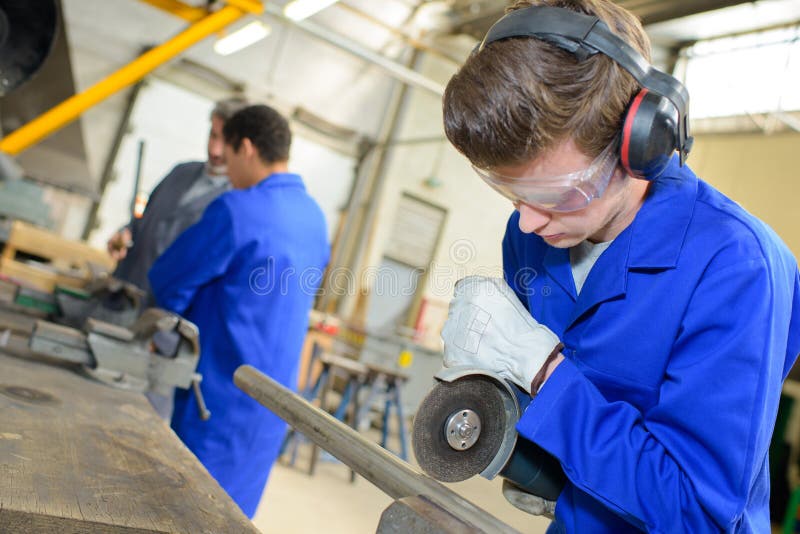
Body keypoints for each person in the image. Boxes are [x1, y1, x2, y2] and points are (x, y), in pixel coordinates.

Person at [438, 1, 800, 532]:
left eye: (557, 194)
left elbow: (699, 514)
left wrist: (546, 374)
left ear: (641, 144)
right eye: (511, 192)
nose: (530, 221)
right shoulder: (531, 239)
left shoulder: (736, 267)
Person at [148, 104, 329, 518]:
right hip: (272, 404)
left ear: (245, 148)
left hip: (216, 397)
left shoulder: (235, 210)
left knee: (183, 510)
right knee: (231, 515)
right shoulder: (314, 219)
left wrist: (166, 331)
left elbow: (169, 279)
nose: (227, 172)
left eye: (228, 157)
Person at [107, 97, 248, 307]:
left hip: (157, 316)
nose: (215, 149)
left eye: (225, 142)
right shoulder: (181, 172)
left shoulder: (234, 205)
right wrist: (125, 233)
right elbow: (142, 221)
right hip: (119, 292)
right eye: (213, 135)